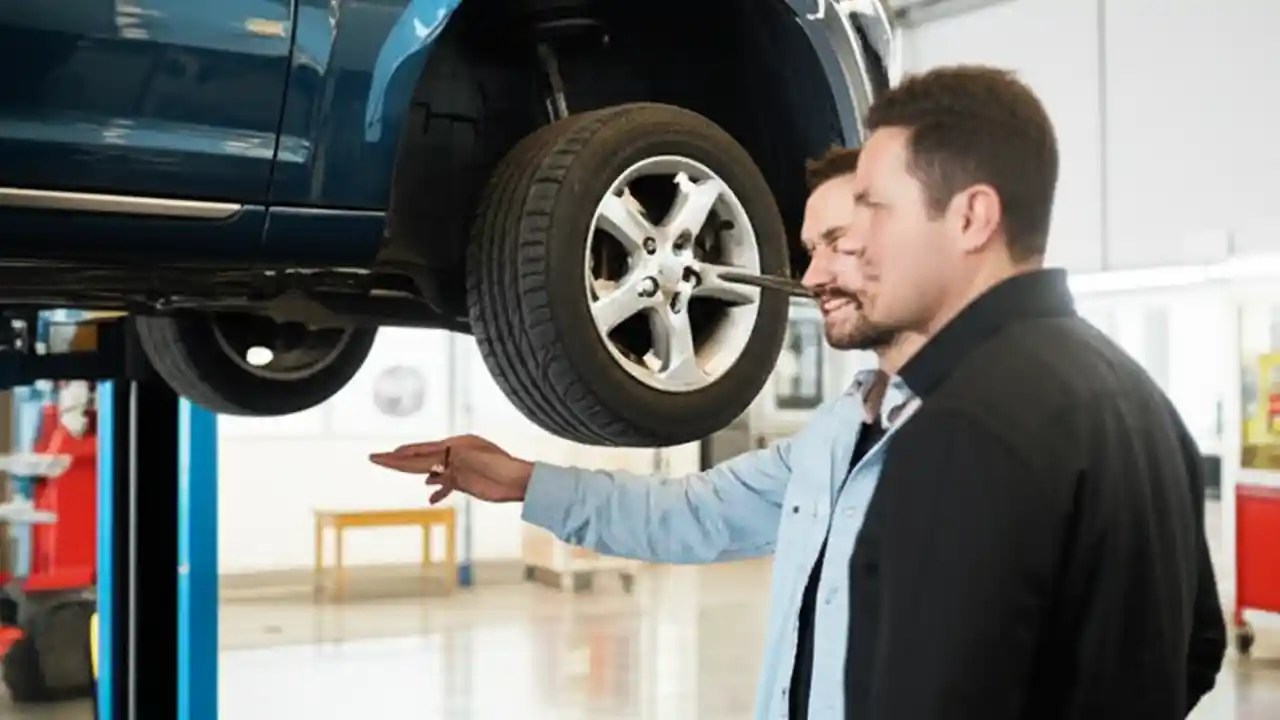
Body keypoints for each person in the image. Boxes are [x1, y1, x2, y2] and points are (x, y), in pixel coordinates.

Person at [372, 64, 1227, 719]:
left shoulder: (972, 431)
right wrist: (524, 480)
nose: (810, 273)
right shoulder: (856, 428)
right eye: (808, 246)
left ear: (964, 219)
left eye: (851, 235)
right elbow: (693, 514)